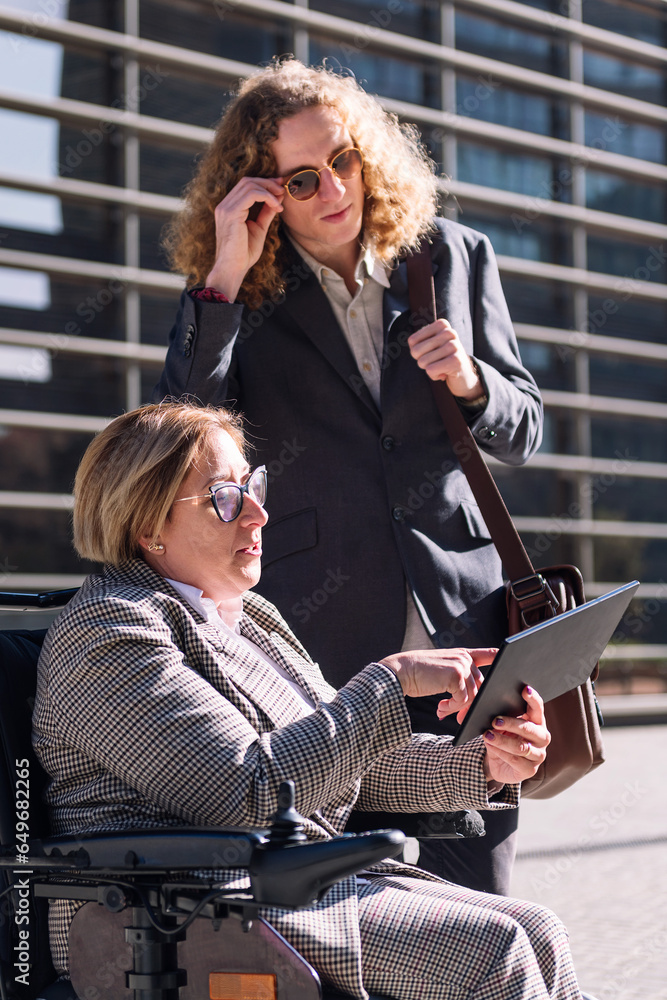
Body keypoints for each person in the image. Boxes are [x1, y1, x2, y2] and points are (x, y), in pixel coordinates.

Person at [33, 401, 584, 1000]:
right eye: (225, 499)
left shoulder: (251, 619)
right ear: (147, 526)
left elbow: (347, 767)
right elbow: (244, 792)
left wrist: (484, 761)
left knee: (540, 931)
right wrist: (390, 682)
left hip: (281, 883)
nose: (259, 513)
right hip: (167, 907)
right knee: (495, 950)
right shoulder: (109, 630)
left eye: (252, 486)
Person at [153, 57, 544, 894]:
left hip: (462, 622)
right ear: (260, 193)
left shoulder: (453, 256)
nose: (332, 189)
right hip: (326, 639)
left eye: (343, 160)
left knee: (481, 899)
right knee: (352, 910)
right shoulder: (238, 293)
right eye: (302, 179)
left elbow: (524, 428)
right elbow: (178, 436)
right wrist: (223, 278)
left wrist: (470, 382)